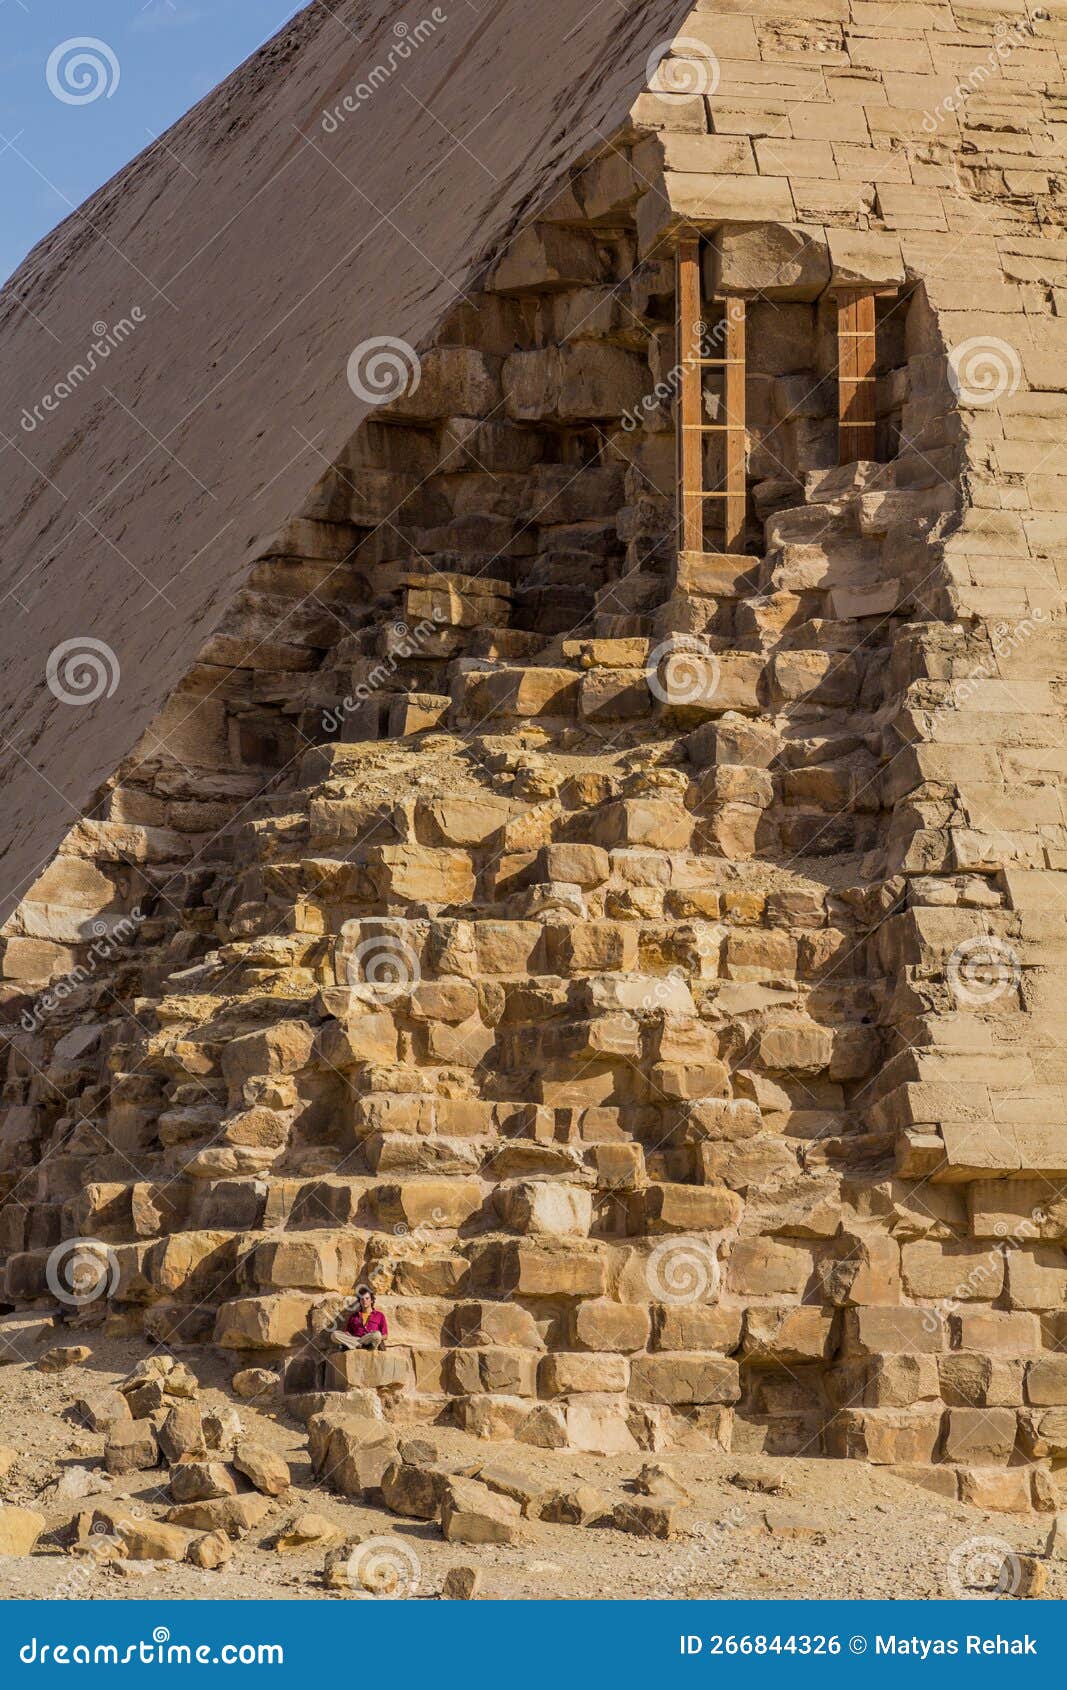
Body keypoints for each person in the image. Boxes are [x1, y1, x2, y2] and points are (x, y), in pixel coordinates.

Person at [332, 1284, 388, 1350]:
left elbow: (385, 1335)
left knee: (377, 1334)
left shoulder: (380, 1315)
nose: (364, 1301)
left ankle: (356, 1345)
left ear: (372, 1300)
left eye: (367, 1298)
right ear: (360, 1301)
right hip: (357, 1340)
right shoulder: (354, 1316)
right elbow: (348, 1332)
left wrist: (376, 1337)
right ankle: (361, 1346)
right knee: (334, 1335)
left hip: (370, 1339)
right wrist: (347, 1334)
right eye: (362, 1299)